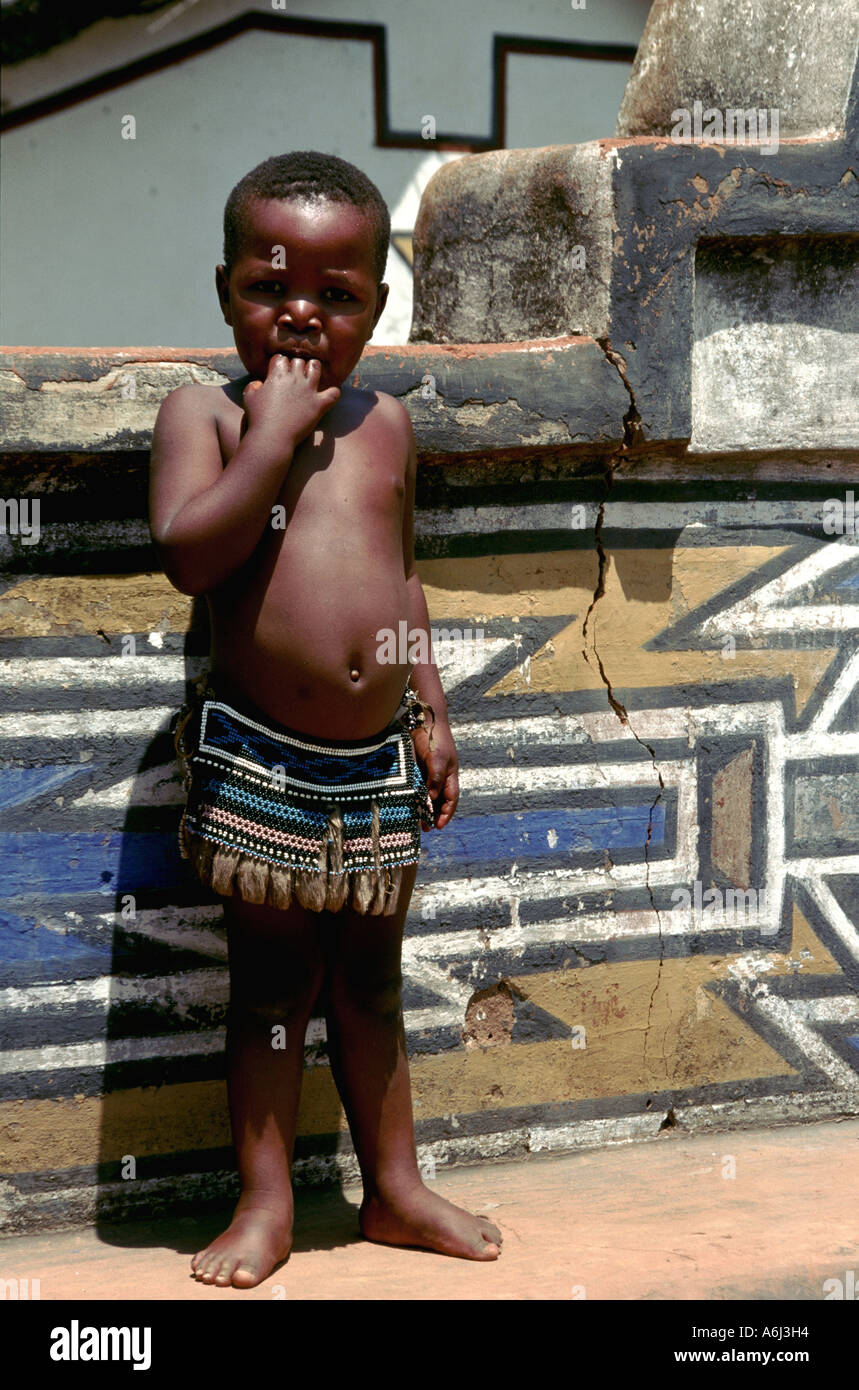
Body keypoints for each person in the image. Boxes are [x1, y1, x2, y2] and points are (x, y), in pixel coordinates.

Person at [149, 151, 502, 1288]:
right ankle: (266, 1203)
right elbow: (193, 555)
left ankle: (393, 1188)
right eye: (270, 287)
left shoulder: (388, 424)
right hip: (263, 762)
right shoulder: (203, 414)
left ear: (376, 311)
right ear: (223, 292)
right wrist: (271, 437)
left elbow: (403, 578)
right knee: (268, 991)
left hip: (377, 761)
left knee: (372, 984)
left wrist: (432, 712)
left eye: (337, 296)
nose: (301, 313)